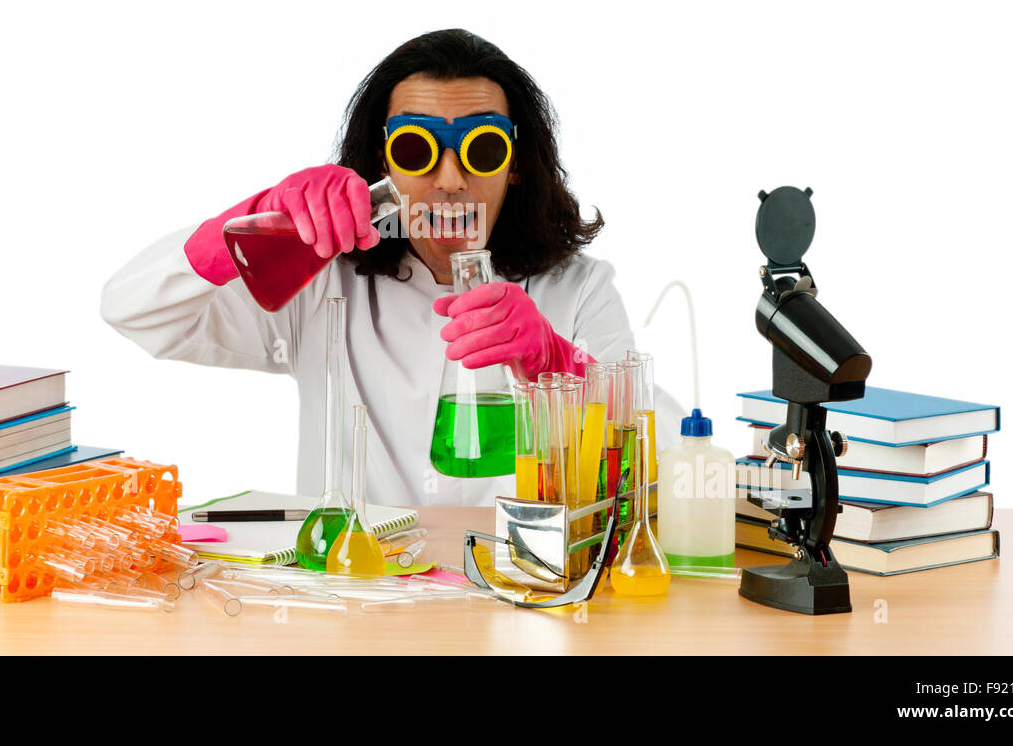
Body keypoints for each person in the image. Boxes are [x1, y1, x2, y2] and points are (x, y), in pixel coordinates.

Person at [100, 29, 682, 506]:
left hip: (523, 597)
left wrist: (556, 365)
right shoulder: (324, 282)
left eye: (481, 150)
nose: (451, 180)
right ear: (384, 161)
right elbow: (135, 310)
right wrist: (256, 222)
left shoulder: (578, 288)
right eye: (416, 150)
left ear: (516, 167)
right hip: (358, 599)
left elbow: (669, 462)